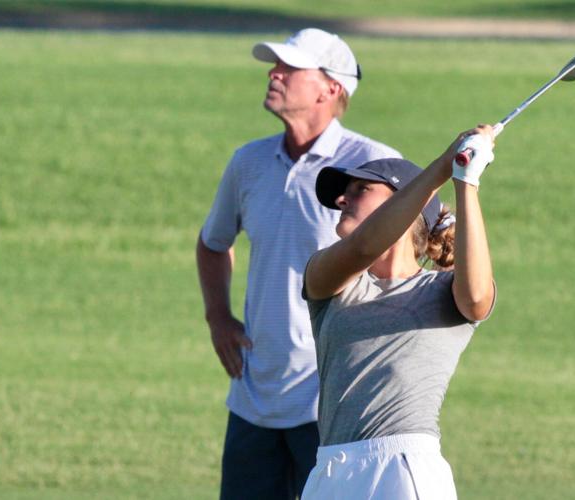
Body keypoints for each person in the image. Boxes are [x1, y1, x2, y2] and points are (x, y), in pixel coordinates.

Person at [196, 28, 401, 499]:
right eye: (276, 66)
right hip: (253, 400)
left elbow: (419, 254)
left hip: (330, 406)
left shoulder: (372, 165)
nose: (274, 73)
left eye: (290, 68)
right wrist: (218, 318)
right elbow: (212, 243)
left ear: (331, 88)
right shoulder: (248, 162)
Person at [299, 126, 498, 499]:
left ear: (405, 205)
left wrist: (465, 182)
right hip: (330, 470)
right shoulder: (329, 279)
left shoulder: (441, 290)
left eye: (361, 189)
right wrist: (441, 167)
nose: (342, 199)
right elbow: (363, 249)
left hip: (404, 472)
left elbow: (475, 297)